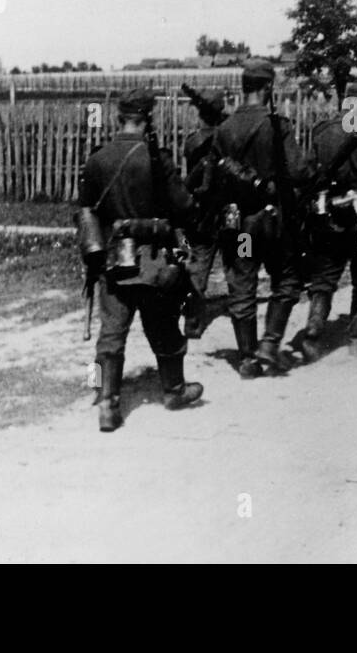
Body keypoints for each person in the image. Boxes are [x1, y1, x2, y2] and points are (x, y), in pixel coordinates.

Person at [80, 88, 202, 432]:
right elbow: (184, 207)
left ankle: (106, 403)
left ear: (119, 118)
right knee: (163, 327)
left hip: (113, 265)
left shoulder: (97, 159)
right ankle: (175, 391)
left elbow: (85, 210)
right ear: (148, 118)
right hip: (152, 261)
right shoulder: (156, 158)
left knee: (110, 336)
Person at [212, 60, 313, 377]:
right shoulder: (276, 125)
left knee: (243, 283)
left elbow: (212, 180)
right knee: (287, 280)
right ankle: (269, 344)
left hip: (241, 230)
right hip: (273, 225)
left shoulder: (224, 129)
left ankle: (246, 359)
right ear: (268, 88)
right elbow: (298, 171)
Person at [292, 80, 357, 362]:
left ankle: (314, 328)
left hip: (328, 215)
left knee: (324, 277)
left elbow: (309, 173)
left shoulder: (322, 131)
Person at [180, 87, 229, 340]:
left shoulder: (193, 140)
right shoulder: (227, 137)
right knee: (241, 257)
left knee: (198, 267)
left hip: (202, 213)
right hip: (230, 212)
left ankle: (192, 322)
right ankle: (243, 306)